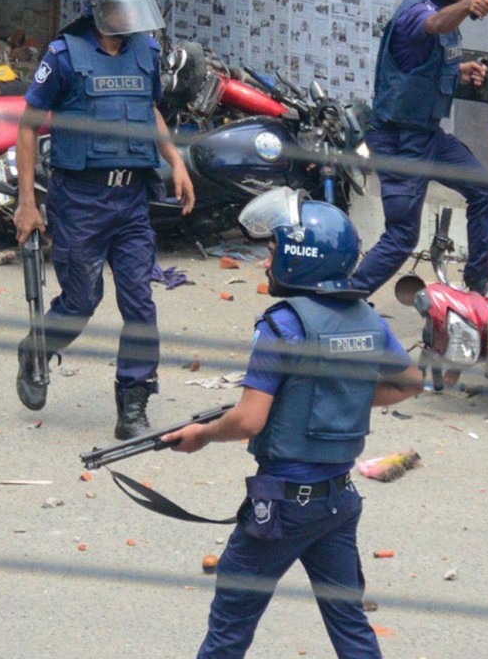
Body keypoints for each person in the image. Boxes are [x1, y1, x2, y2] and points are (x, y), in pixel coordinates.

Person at [162, 186, 424, 659]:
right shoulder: (368, 318)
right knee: (350, 626)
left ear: (300, 258)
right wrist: (337, 401)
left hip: (284, 508)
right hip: (338, 503)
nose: (267, 262)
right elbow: (410, 383)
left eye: (275, 251)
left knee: (230, 623)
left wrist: (200, 435)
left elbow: (248, 420)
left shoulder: (283, 325)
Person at [13, 0, 195, 440]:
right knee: (81, 300)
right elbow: (29, 126)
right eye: (120, 7)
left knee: (140, 303)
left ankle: (133, 403)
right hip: (80, 200)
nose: (130, 16)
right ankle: (38, 346)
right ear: (97, 9)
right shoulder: (65, 55)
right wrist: (27, 203)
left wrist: (174, 159)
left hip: (132, 199)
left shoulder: (146, 51)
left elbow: (149, 109)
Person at [350, 0, 488, 297]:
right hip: (400, 142)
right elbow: (431, 27)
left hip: (428, 137)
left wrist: (462, 72)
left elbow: (423, 64)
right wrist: (468, 7)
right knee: (402, 237)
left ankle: (478, 279)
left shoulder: (441, 12)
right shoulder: (416, 14)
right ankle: (342, 300)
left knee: (487, 190)